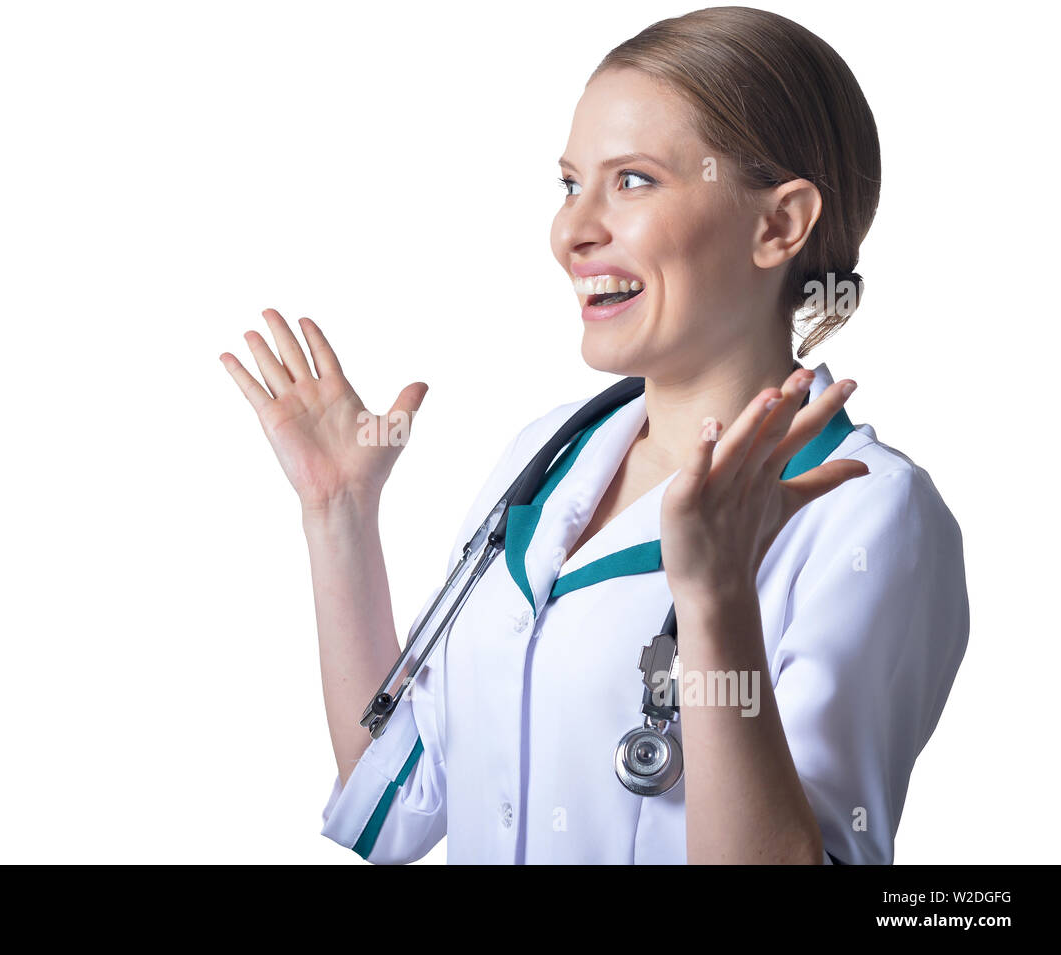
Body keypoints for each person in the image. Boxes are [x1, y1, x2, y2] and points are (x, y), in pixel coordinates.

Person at [218, 6, 969, 864]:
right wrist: (339, 513)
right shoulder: (548, 460)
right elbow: (401, 804)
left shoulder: (868, 514)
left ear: (779, 225)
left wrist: (716, 599)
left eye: (634, 181)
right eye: (571, 184)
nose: (572, 233)